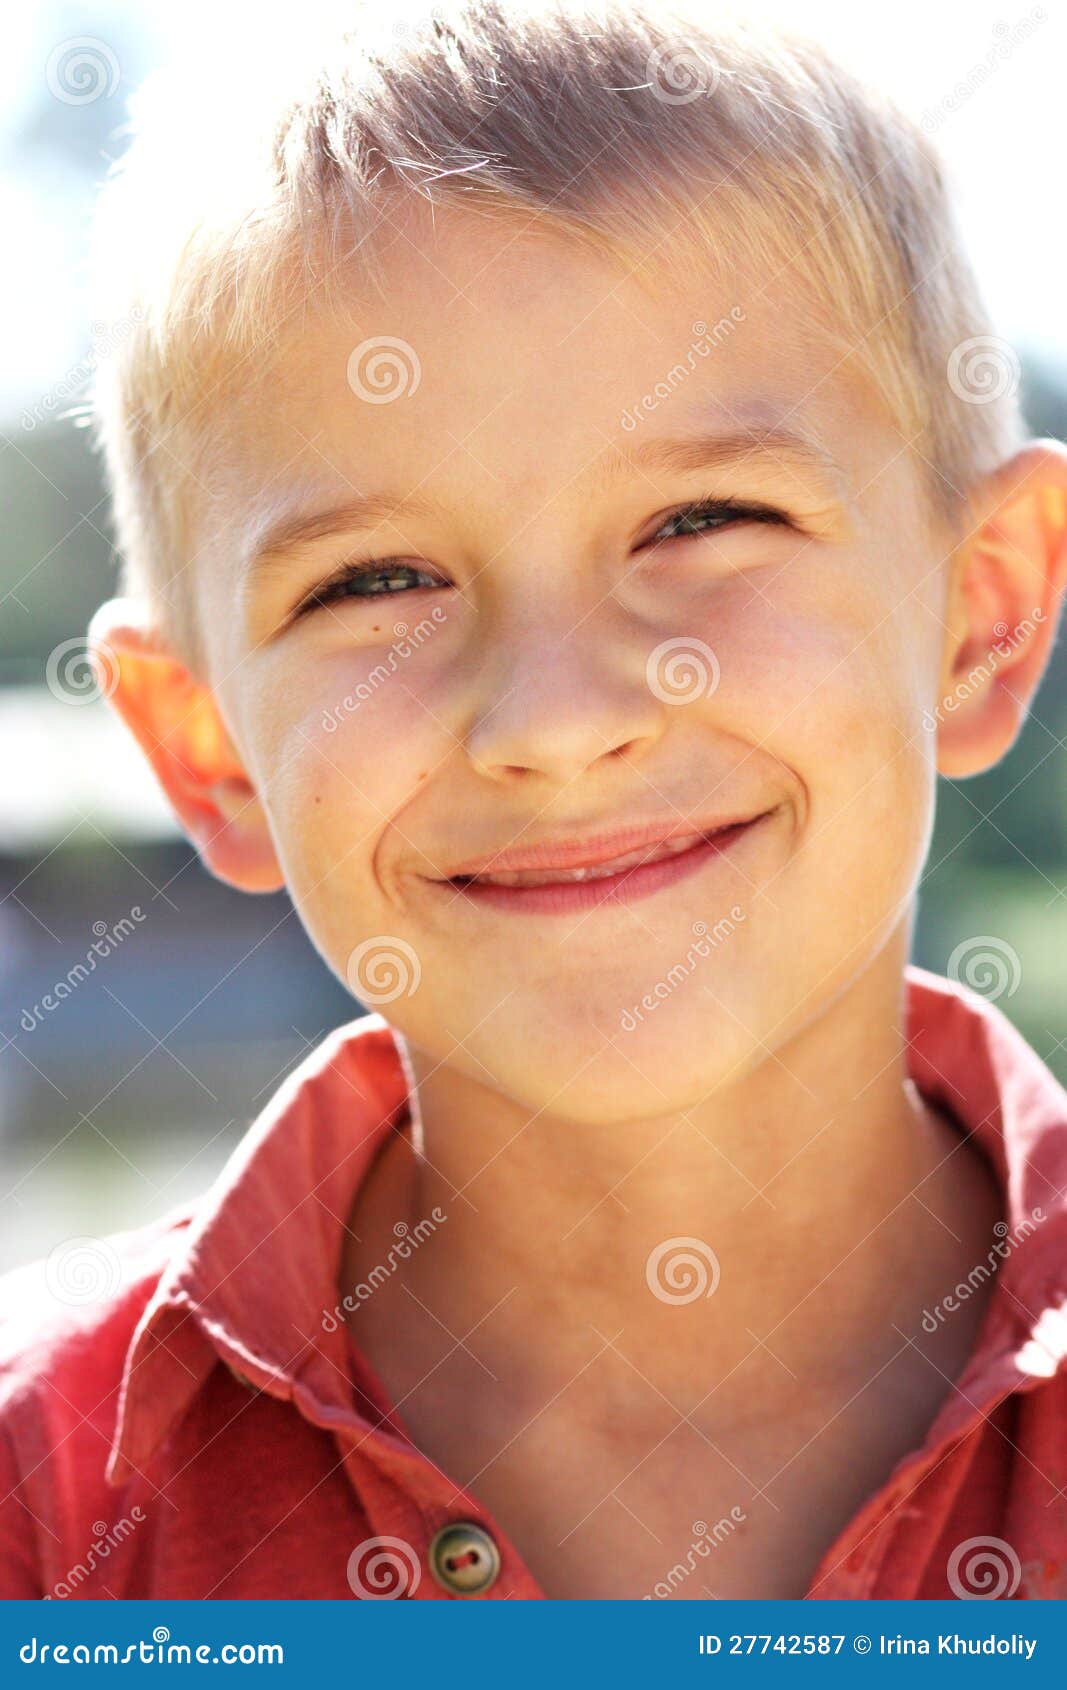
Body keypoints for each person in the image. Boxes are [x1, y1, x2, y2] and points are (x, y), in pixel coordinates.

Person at [3, 0, 1066, 1601]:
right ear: (205, 741)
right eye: (378, 579)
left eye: (704, 517)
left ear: (983, 614)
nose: (556, 724)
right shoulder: (45, 1503)